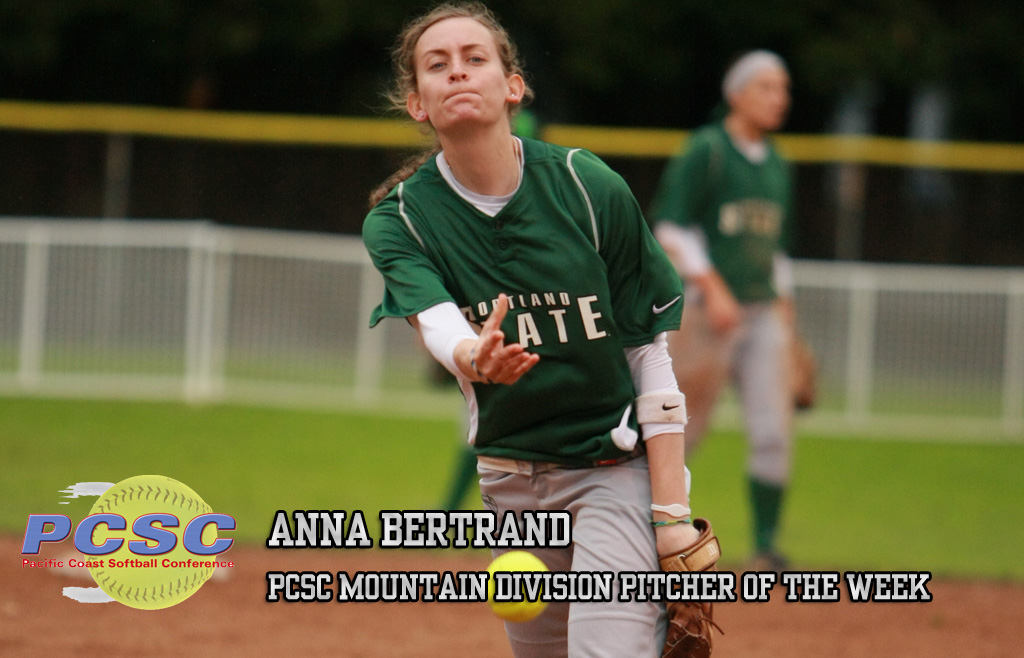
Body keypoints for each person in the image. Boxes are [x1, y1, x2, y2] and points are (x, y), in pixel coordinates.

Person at [362, 4, 719, 657]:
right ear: (417, 103)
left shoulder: (587, 187)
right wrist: (472, 354)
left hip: (613, 466)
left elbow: (647, 351)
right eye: (437, 66)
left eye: (476, 58)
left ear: (512, 86)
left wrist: (669, 514)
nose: (458, 73)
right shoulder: (402, 221)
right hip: (509, 482)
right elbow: (437, 323)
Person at [650, 50, 798, 571]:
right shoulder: (708, 150)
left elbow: (776, 252)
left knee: (774, 429)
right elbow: (668, 225)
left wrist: (789, 323)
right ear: (736, 94)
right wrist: (712, 285)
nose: (779, 98)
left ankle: (766, 547)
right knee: (679, 432)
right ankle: (654, 538)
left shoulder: (778, 163)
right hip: (704, 312)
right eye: (766, 87)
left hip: (762, 315)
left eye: (782, 89)